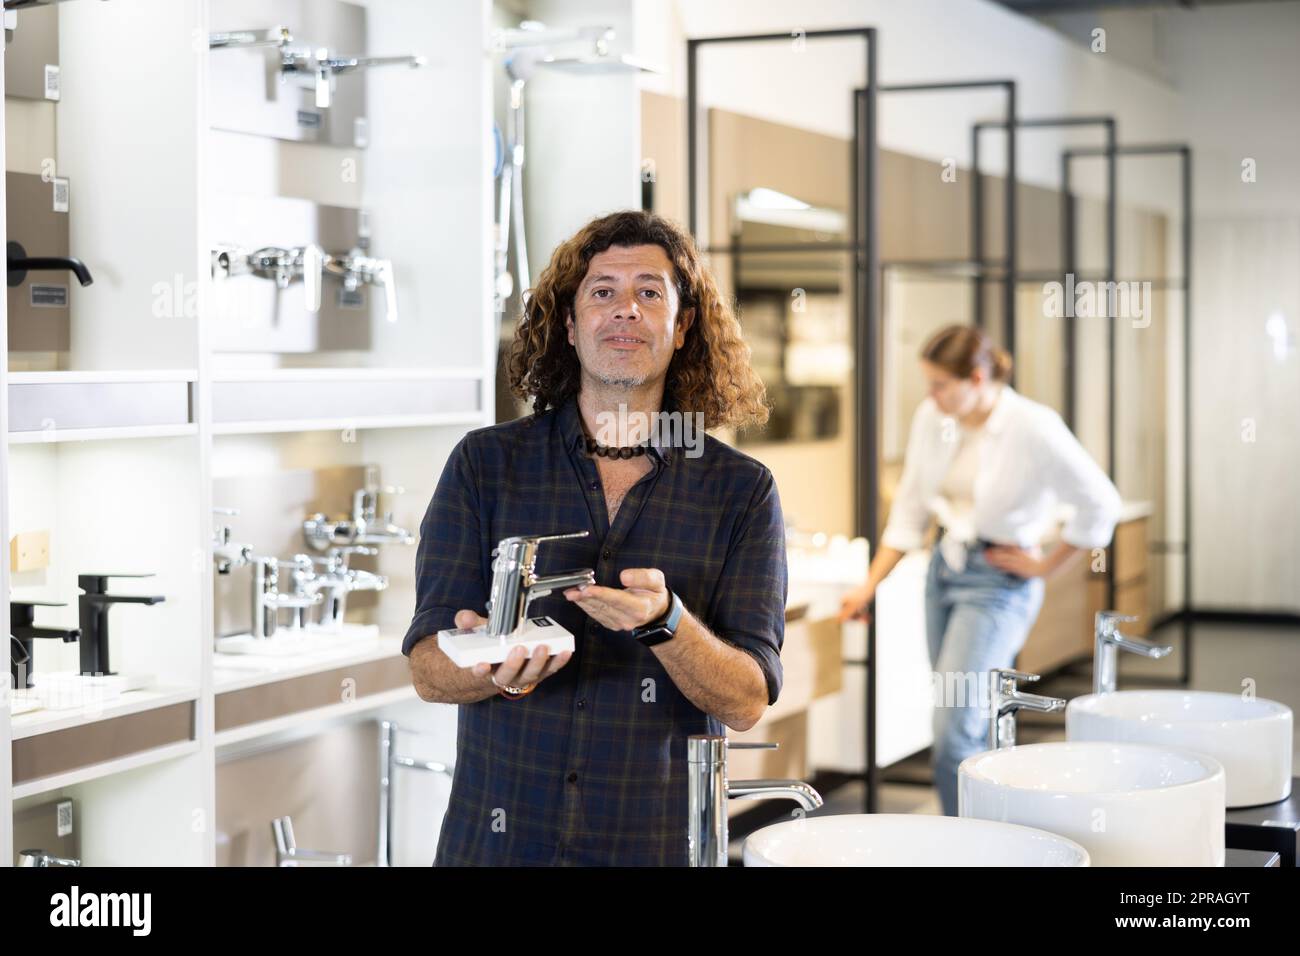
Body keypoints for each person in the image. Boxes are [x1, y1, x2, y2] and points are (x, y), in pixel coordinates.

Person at [402, 209, 785, 865]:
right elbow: (428, 669)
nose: (625, 310)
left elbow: (747, 698)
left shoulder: (741, 490)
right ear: (571, 326)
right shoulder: (484, 465)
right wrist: (495, 668)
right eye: (603, 291)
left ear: (683, 325)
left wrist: (667, 621)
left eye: (649, 292)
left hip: (657, 847)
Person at [839, 325, 1121, 816]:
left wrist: (1045, 566)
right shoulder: (934, 418)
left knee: (953, 731)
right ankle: (1006, 831)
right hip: (944, 573)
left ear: (977, 377)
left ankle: (967, 844)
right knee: (975, 720)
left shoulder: (1033, 426)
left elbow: (1100, 504)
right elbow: (910, 510)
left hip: (998, 583)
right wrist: (868, 587)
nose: (930, 396)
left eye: (940, 385)